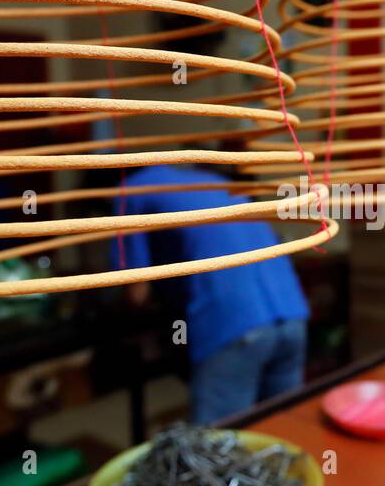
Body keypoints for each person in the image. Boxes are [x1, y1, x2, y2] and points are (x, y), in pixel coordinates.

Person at [115, 163, 309, 425]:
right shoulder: (214, 182)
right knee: (284, 430)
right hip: (291, 312)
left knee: (216, 447)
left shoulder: (130, 192)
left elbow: (136, 292)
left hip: (234, 322)